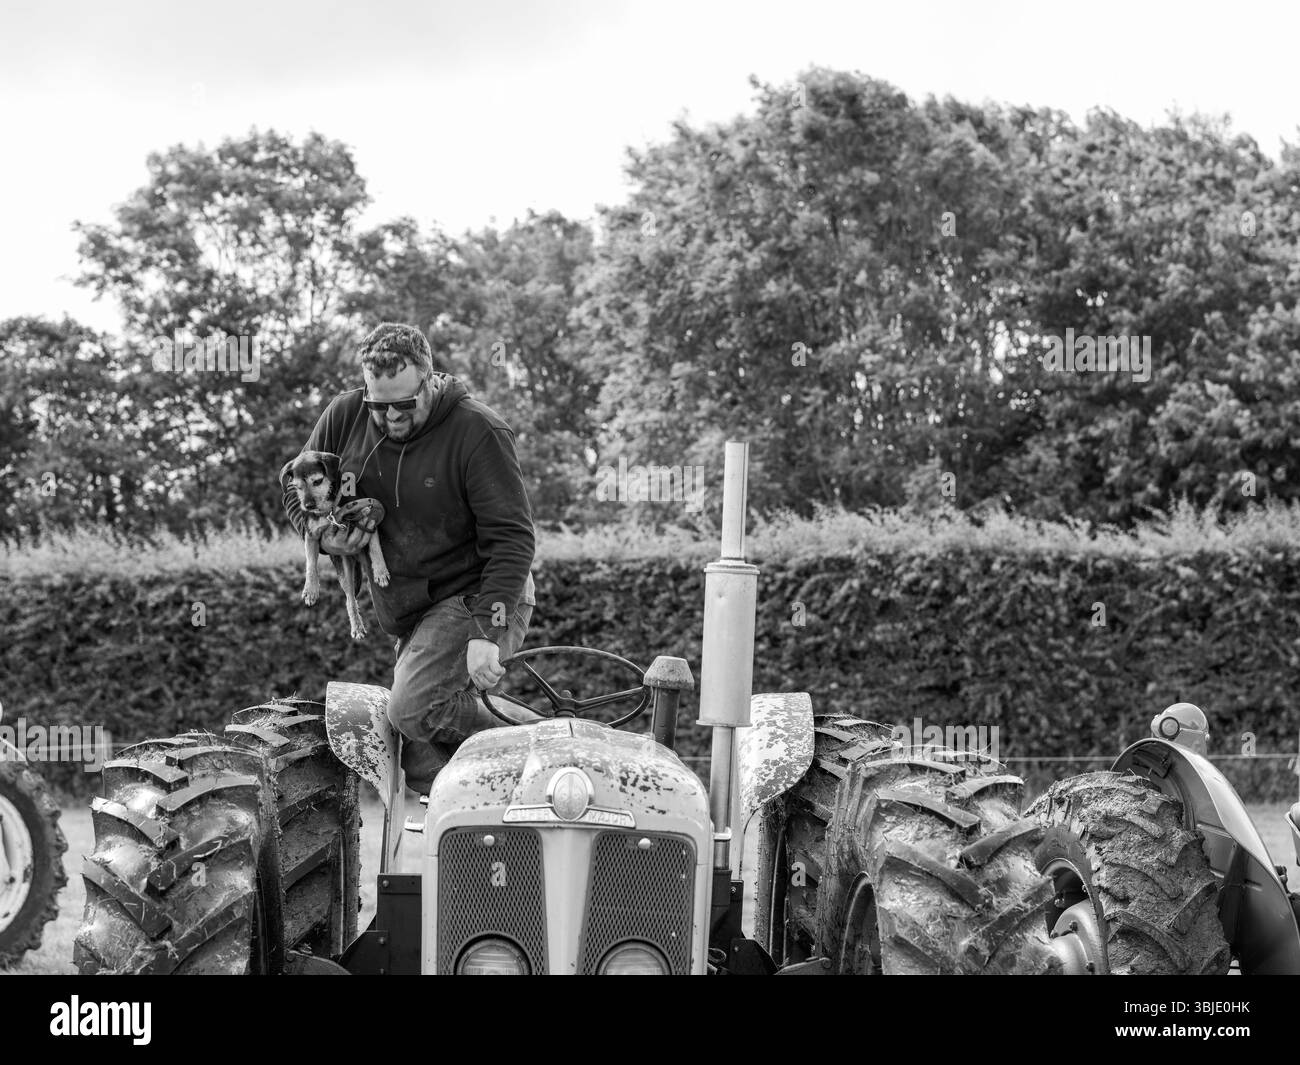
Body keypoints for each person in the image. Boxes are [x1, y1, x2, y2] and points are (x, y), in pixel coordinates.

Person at [281, 322, 537, 792]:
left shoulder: (477, 430)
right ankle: (498, 813)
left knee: (412, 709)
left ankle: (551, 745)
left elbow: (514, 538)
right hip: (408, 611)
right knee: (416, 755)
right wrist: (325, 539)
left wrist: (486, 631)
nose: (391, 416)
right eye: (379, 405)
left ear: (430, 377)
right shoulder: (344, 416)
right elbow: (295, 491)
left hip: (476, 594)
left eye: (404, 402)